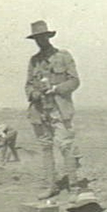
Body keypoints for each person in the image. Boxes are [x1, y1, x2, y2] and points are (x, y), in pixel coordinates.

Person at [25, 20, 81, 199]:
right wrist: (33, 93)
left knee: (66, 146)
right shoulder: (34, 61)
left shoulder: (63, 56)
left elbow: (74, 81)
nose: (40, 41)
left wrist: (56, 89)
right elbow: (27, 85)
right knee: (45, 147)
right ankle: (51, 186)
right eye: (36, 38)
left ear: (48, 37)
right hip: (40, 111)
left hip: (59, 108)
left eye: (42, 37)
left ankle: (74, 187)